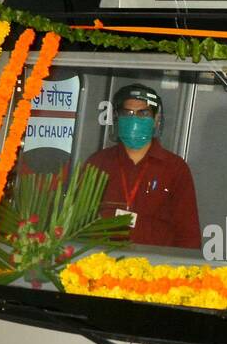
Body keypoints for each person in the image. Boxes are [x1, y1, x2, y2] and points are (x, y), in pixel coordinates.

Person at [83, 82, 201, 249]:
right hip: (103, 264)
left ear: (156, 120)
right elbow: (77, 223)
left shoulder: (175, 168)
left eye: (143, 113)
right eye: (128, 113)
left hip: (157, 267)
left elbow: (188, 233)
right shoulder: (98, 163)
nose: (134, 119)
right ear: (117, 118)